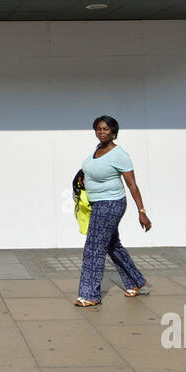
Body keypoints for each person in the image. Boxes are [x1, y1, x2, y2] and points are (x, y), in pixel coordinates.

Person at [74, 115, 152, 306]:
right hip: (97, 203)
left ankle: (90, 295)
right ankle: (135, 281)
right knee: (112, 245)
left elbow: (132, 185)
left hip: (110, 204)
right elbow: (95, 170)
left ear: (114, 132)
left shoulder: (120, 155)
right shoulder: (98, 149)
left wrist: (141, 211)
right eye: (98, 129)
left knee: (93, 248)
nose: (101, 132)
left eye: (105, 129)